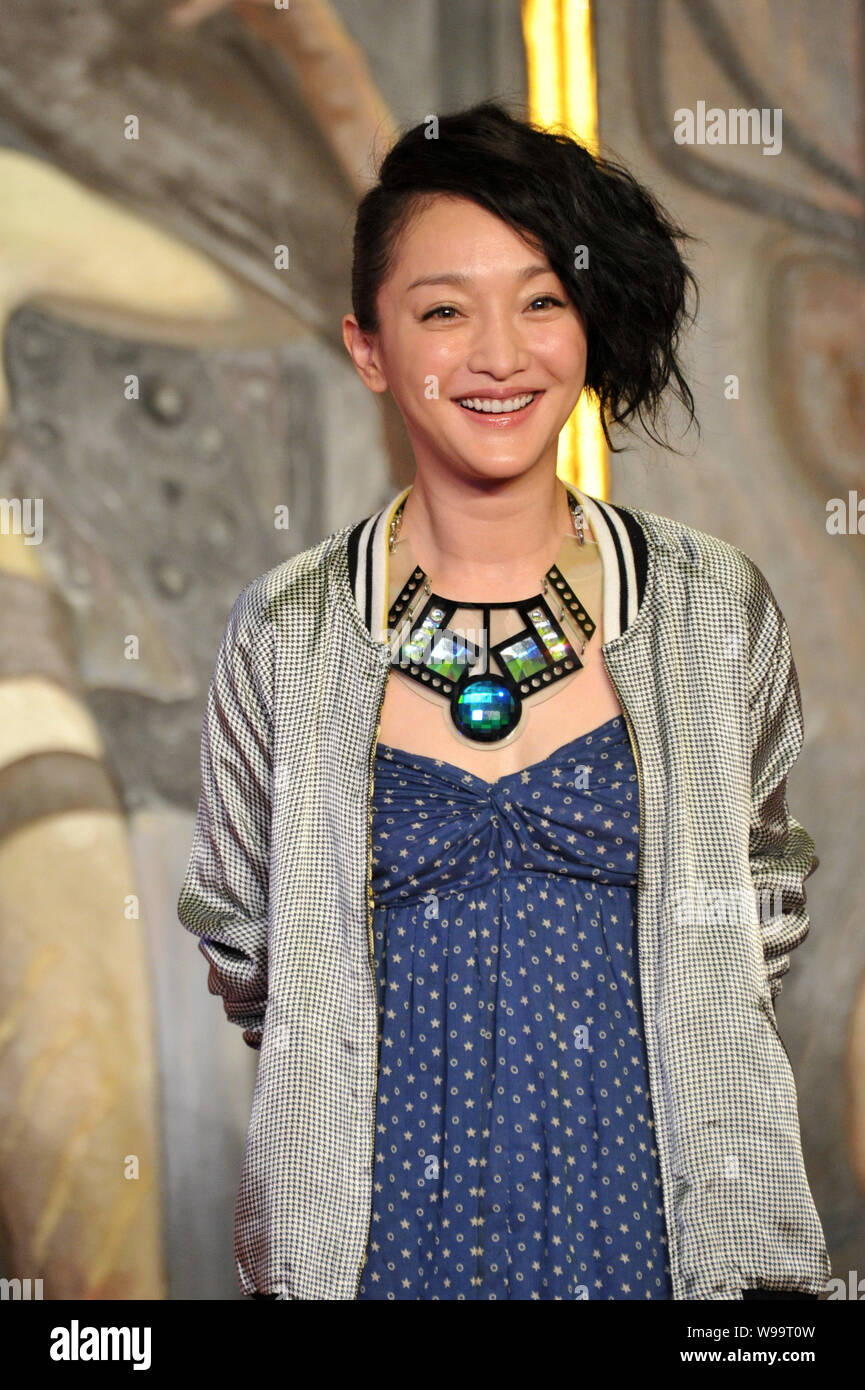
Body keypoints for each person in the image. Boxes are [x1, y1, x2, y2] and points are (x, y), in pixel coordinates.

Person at [177, 102, 830, 1300]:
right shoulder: (287, 630)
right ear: (368, 346)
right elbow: (244, 938)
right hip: (377, 1255)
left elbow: (761, 911)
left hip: (662, 1247)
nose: (498, 353)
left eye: (539, 300)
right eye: (441, 309)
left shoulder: (706, 606)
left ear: (584, 325)